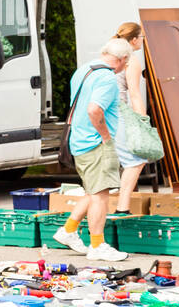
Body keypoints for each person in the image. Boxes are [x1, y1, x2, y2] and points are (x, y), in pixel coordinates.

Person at [51, 37, 133, 261]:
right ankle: (97, 245)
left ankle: (68, 231)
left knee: (93, 191)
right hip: (95, 143)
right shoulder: (107, 78)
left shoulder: (85, 69)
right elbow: (94, 110)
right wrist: (106, 137)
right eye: (126, 62)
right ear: (122, 59)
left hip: (78, 140)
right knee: (100, 197)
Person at [111, 22, 150, 213]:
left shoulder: (111, 53)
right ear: (134, 39)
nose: (143, 40)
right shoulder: (131, 60)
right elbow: (135, 94)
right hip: (118, 112)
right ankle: (122, 207)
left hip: (104, 112)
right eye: (141, 37)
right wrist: (142, 122)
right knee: (136, 159)